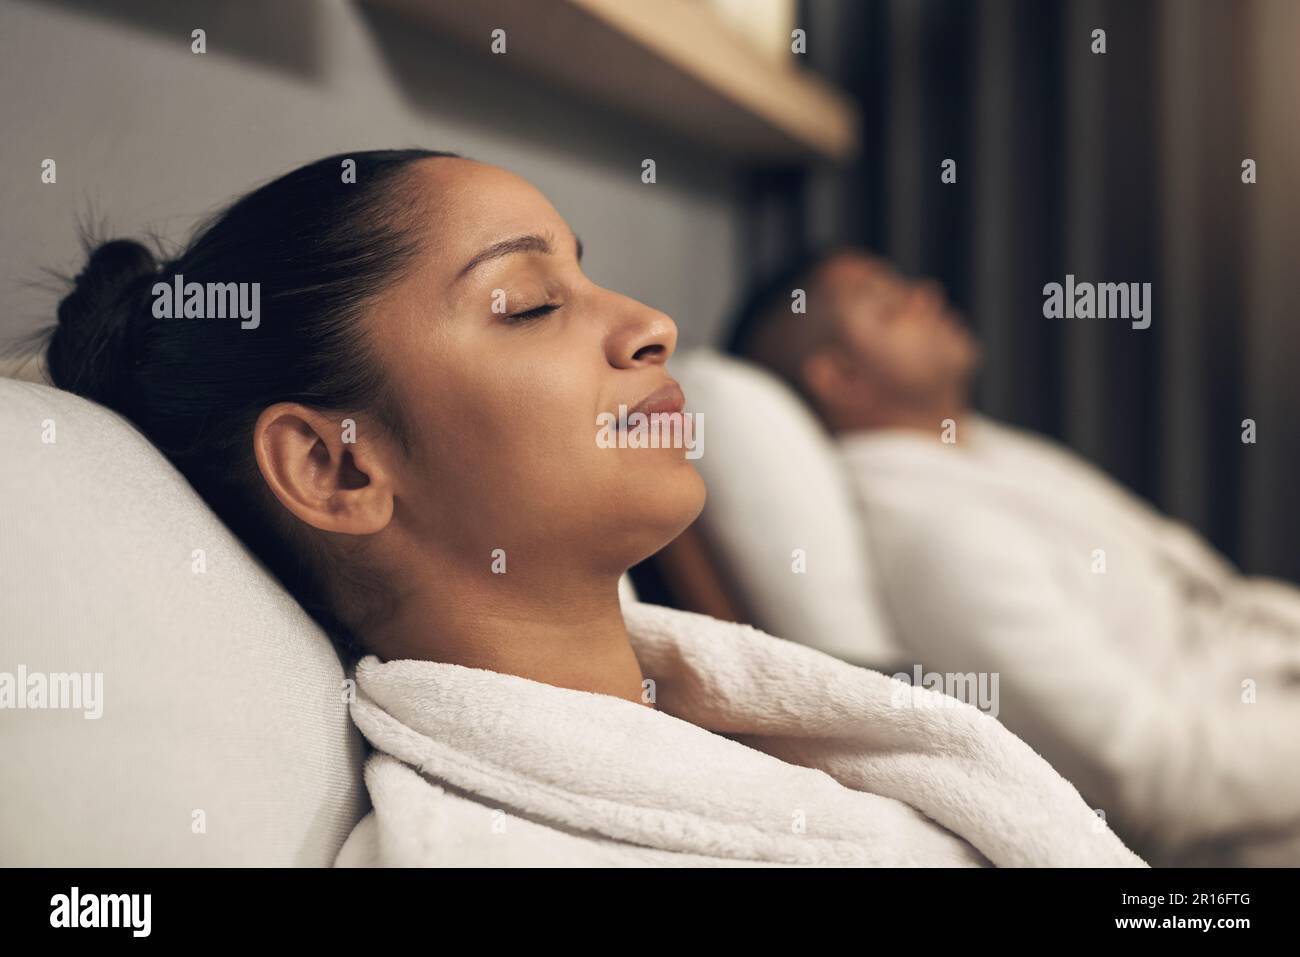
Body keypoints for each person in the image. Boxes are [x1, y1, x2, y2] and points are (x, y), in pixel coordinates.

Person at [37, 153, 1142, 867]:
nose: (651, 324)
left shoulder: (760, 732)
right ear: (338, 471)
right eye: (525, 306)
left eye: (586, 275)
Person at [727, 246, 1300, 865]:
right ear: (840, 377)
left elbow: (1210, 596)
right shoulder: (937, 536)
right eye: (890, 306)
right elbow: (1149, 780)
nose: (928, 294)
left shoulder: (990, 451)